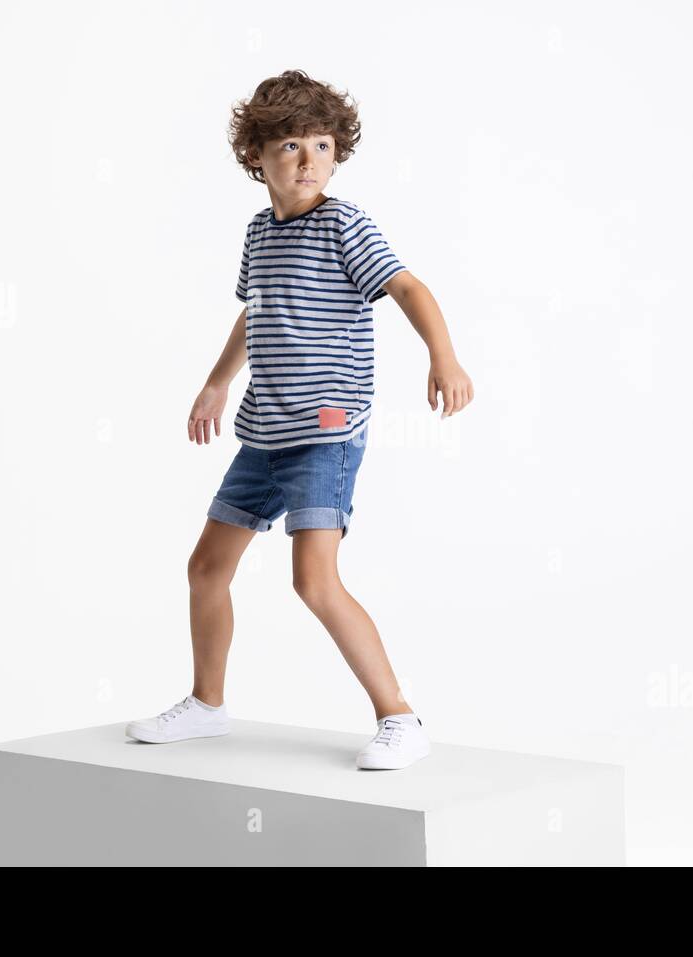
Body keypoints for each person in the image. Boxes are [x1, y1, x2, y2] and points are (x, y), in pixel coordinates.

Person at [125, 70, 474, 769]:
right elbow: (256, 311)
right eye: (289, 145)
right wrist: (216, 384)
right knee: (205, 569)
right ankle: (206, 704)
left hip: (325, 429)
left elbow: (407, 285)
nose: (309, 159)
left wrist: (444, 356)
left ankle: (399, 717)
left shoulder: (345, 224)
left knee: (313, 579)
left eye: (322, 143)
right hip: (265, 432)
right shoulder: (259, 232)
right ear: (256, 156)